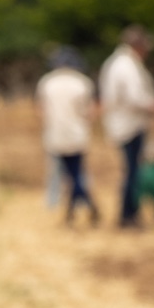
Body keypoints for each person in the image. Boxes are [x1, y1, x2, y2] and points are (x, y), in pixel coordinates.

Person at [99, 26, 154, 229]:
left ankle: (129, 213)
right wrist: (153, 105)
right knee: (132, 172)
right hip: (129, 125)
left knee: (131, 171)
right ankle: (128, 214)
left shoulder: (120, 63)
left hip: (125, 124)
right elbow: (134, 97)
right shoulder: (126, 65)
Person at [38, 48, 99, 226]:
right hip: (77, 135)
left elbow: (41, 110)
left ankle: (73, 213)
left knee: (69, 174)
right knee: (76, 173)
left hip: (55, 135)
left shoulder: (47, 82)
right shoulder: (82, 82)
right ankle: (86, 208)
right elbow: (90, 111)